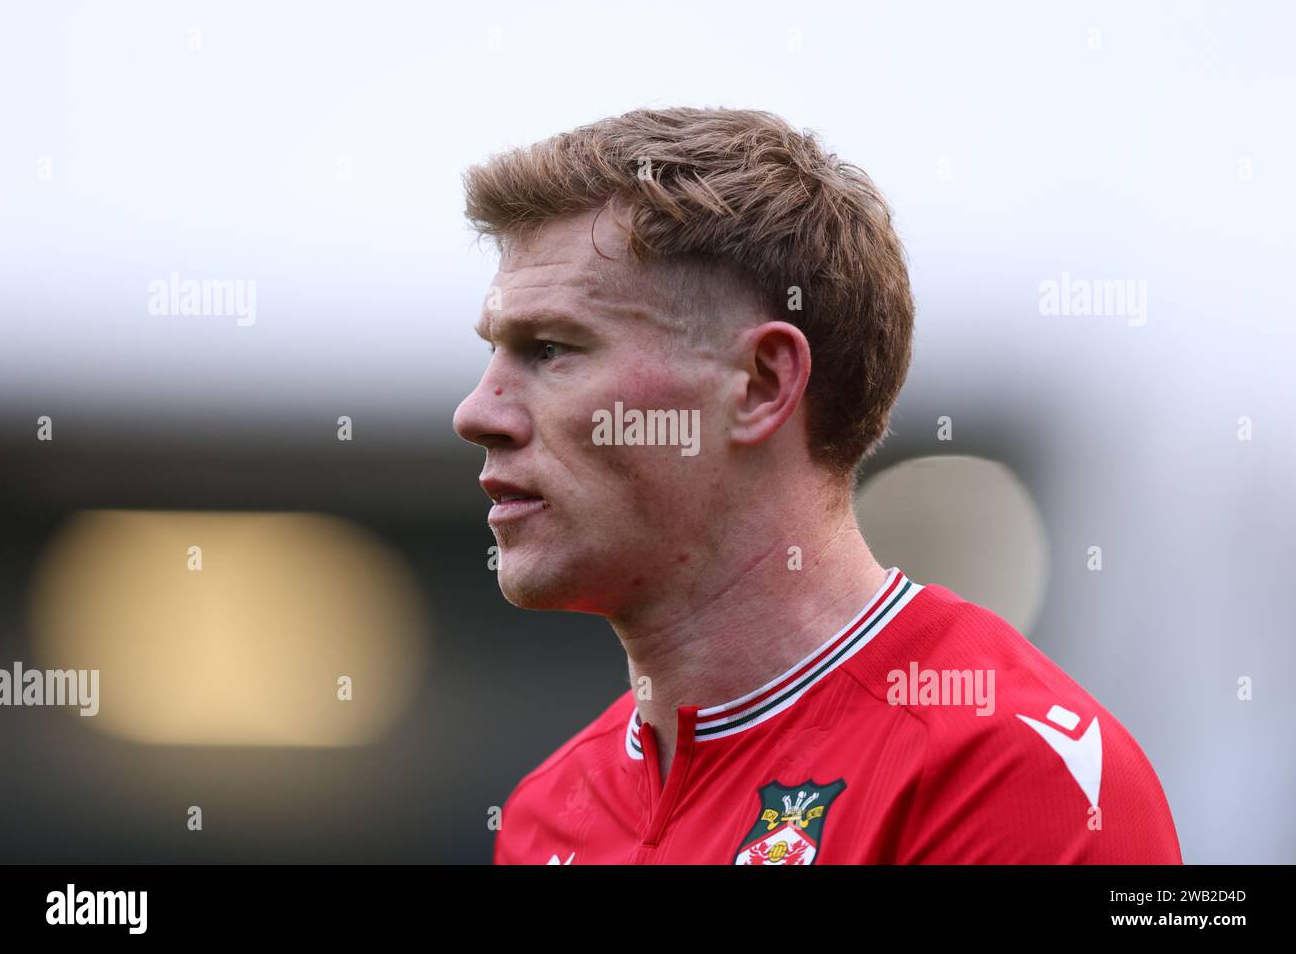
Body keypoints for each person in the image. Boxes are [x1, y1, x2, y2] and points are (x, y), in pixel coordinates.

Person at [452, 107, 1181, 864]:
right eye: (496, 354)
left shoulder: (1007, 773)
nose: (477, 413)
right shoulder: (547, 812)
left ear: (762, 384)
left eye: (550, 350)